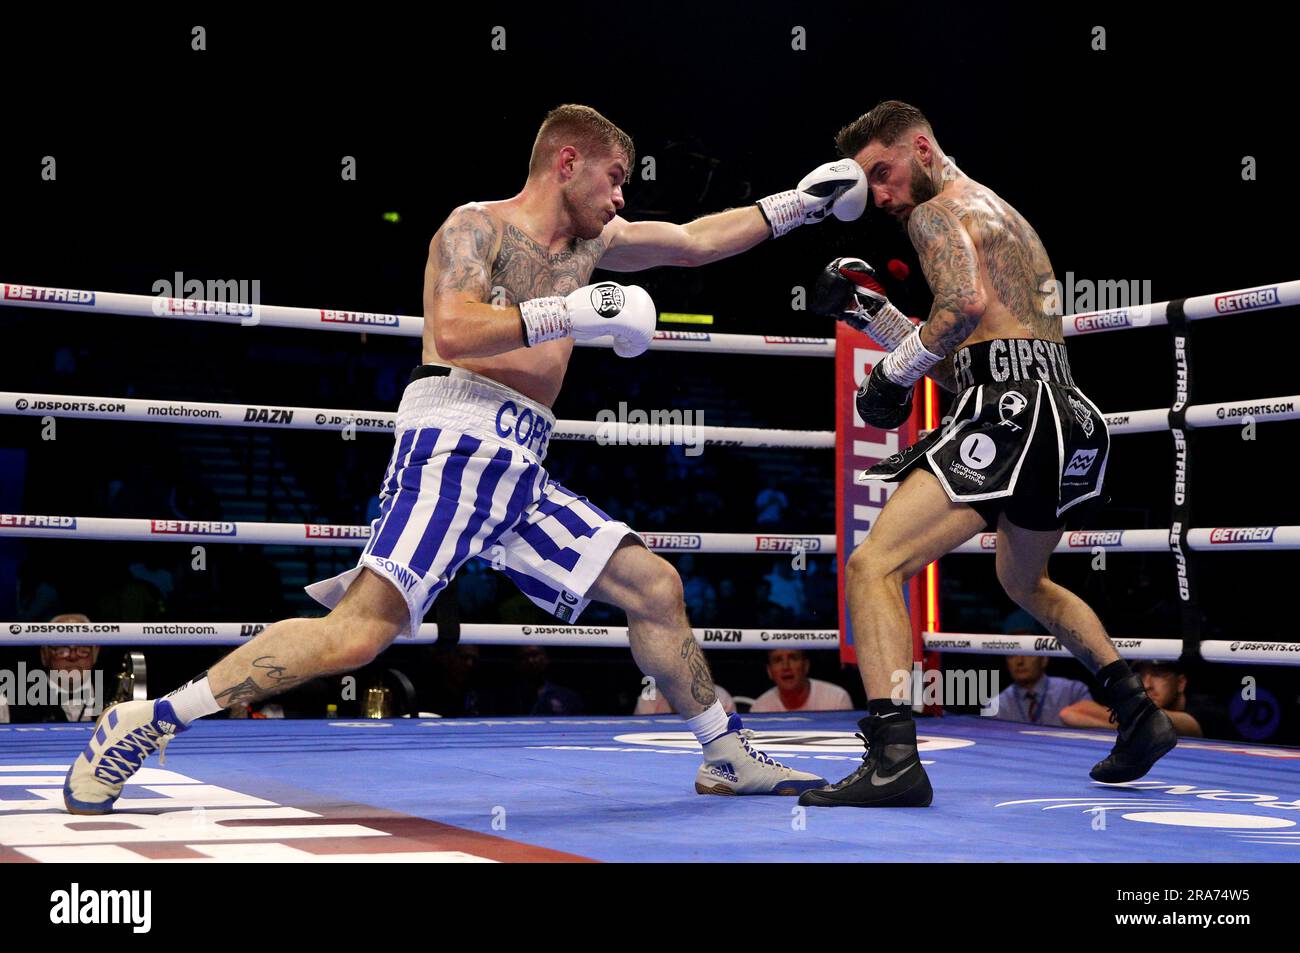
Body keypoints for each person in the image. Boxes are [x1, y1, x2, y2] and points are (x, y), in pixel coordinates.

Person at [66, 103, 872, 813]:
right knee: (357, 637)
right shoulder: (474, 227)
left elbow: (694, 242)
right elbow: (453, 332)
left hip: (522, 460)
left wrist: (797, 205)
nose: (622, 196)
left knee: (653, 584)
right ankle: (149, 720)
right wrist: (571, 312)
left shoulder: (597, 244)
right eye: (615, 177)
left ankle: (724, 752)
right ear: (568, 161)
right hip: (453, 441)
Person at [797, 100, 1176, 808]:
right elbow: (972, 352)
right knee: (1023, 580)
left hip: (1011, 414)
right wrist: (875, 318)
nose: (879, 196)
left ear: (920, 144)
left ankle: (892, 757)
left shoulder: (935, 213)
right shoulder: (998, 211)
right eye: (869, 184)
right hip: (1065, 415)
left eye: (882, 171)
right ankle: (1137, 710)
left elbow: (962, 308)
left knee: (873, 564)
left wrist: (890, 373)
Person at [1061, 660, 1234, 740]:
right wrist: (1130, 724)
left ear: (1180, 683)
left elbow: (1152, 719)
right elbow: (1070, 713)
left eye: (1158, 675)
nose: (1146, 684)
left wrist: (1125, 723)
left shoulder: (1206, 711)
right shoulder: (1133, 703)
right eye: (1141, 675)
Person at [750, 649, 852, 713]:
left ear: (806, 665)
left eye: (793, 658)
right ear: (769, 671)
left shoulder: (837, 699)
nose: (786, 667)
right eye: (777, 660)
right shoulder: (759, 708)